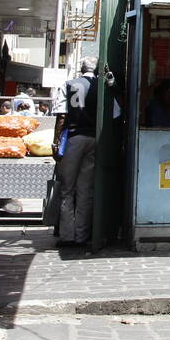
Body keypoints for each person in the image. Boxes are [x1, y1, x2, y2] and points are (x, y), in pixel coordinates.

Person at [51, 58, 100, 250]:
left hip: (74, 137)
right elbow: (115, 112)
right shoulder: (100, 87)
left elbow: (61, 115)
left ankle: (67, 235)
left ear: (81, 68)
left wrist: (56, 142)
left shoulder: (69, 84)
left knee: (67, 189)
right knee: (85, 190)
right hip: (94, 138)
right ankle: (81, 235)